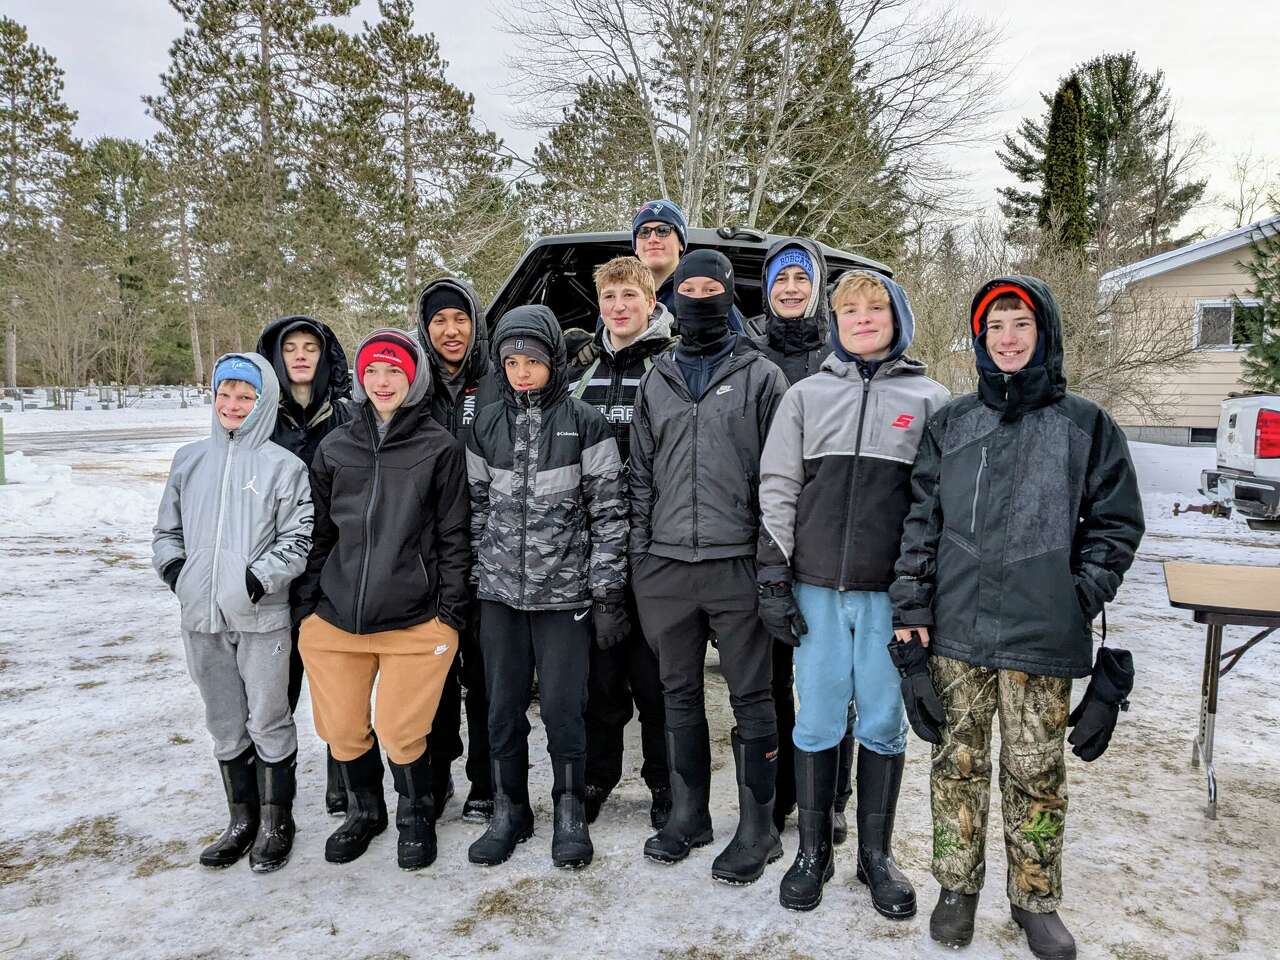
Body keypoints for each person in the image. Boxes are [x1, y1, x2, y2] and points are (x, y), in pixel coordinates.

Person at [891, 277, 1144, 959]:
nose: (1007, 338)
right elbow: (920, 523)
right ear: (980, 338)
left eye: (1020, 324)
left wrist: (1078, 593)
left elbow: (1116, 525)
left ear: (1045, 334)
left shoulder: (1086, 425)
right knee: (958, 764)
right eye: (995, 326)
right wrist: (911, 613)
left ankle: (1034, 899)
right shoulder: (952, 422)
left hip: (1042, 635)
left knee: (1036, 773)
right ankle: (957, 888)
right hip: (957, 630)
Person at [757, 270, 950, 915]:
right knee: (815, 718)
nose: (862, 318)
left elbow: (936, 505)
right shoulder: (806, 396)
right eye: (848, 310)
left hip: (887, 596)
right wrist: (774, 574)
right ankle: (813, 853)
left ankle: (876, 855)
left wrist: (919, 592)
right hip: (813, 589)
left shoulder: (930, 400)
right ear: (833, 322)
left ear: (897, 316)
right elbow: (779, 484)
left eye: (876, 308)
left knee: (882, 722)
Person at [629, 249, 790, 884]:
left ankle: (760, 828)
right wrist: (642, 559)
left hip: (736, 563)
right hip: (667, 567)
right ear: (673, 300)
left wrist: (769, 563)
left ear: (727, 297)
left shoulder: (761, 376)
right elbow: (640, 474)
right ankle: (689, 814)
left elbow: (781, 479)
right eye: (687, 287)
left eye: (709, 288)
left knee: (753, 696)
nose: (697, 297)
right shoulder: (657, 377)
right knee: (678, 695)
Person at [296, 329, 471, 871]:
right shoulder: (335, 445)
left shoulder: (437, 445)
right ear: (361, 378)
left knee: (400, 729)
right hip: (336, 619)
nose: (383, 380)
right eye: (373, 370)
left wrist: (449, 615)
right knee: (342, 729)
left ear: (413, 378)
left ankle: (415, 814)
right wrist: (308, 608)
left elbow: (454, 536)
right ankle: (366, 812)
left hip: (414, 619)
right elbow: (319, 532)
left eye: (394, 370)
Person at [465, 305, 629, 870]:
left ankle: (568, 809)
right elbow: (475, 511)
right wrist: (473, 582)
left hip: (567, 599)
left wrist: (606, 591)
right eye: (511, 361)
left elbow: (610, 513)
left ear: (553, 361)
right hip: (500, 598)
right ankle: (509, 809)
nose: (521, 370)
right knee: (501, 707)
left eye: (532, 359)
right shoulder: (484, 425)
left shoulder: (586, 422)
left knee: (564, 708)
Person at [152, 353, 314, 873]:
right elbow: (165, 532)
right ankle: (240, 819)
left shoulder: (283, 467)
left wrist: (255, 578)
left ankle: (275, 819)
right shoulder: (188, 460)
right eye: (225, 394)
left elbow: (299, 537)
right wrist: (176, 572)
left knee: (268, 717)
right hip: (200, 618)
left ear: (263, 402)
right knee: (224, 720)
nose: (233, 405)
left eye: (245, 396)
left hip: (261, 615)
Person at [567, 256, 676, 829]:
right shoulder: (578, 371)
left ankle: (664, 783)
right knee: (599, 679)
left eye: (629, 296)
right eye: (609, 297)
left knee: (657, 680)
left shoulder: (673, 363)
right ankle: (596, 777)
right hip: (589, 546)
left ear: (652, 302)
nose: (619, 306)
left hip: (655, 545)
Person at [750, 238, 852, 839]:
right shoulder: (748, 351)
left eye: (801, 278)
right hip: (767, 534)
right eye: (781, 279)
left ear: (817, 288)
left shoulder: (841, 351)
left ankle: (834, 795)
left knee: (831, 681)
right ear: (767, 289)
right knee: (771, 677)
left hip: (833, 540)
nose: (791, 288)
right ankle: (785, 793)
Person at [254, 315, 352, 815]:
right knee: (277, 684)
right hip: (274, 569)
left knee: (336, 680)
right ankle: (272, 796)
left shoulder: (345, 415)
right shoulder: (260, 420)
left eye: (309, 347)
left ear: (324, 355)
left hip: (333, 565)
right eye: (290, 347)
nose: (299, 355)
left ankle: (344, 777)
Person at [415, 277, 502, 823]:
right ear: (425, 329)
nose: (451, 330)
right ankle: (437, 769)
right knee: (434, 673)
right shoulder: (413, 386)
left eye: (461, 319)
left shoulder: (495, 381)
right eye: (440, 321)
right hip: (428, 556)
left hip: (490, 549)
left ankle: (485, 780)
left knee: (487, 676)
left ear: (476, 323)